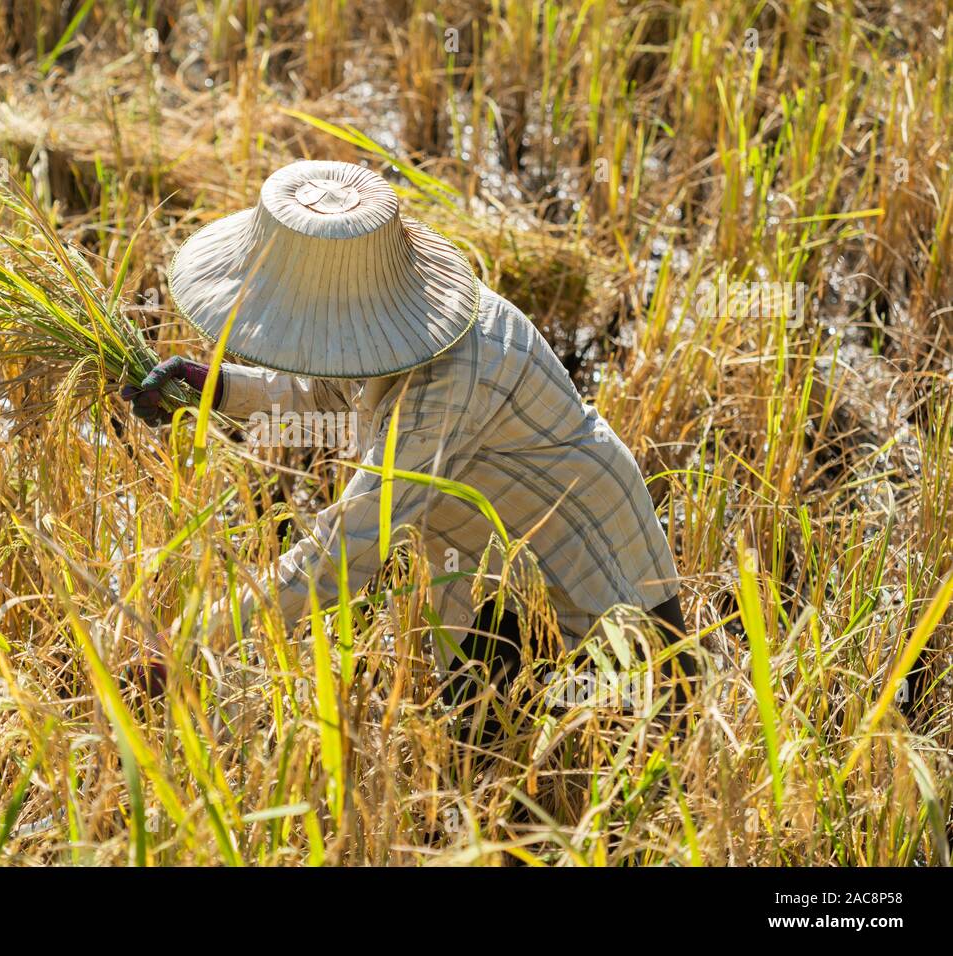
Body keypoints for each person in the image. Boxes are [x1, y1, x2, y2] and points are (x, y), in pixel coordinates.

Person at [121, 159, 692, 735]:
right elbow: (324, 394)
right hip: (477, 555)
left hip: (581, 545)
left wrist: (199, 640)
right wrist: (213, 387)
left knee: (647, 739)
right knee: (483, 741)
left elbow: (346, 552)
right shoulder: (370, 329)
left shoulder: (450, 380)